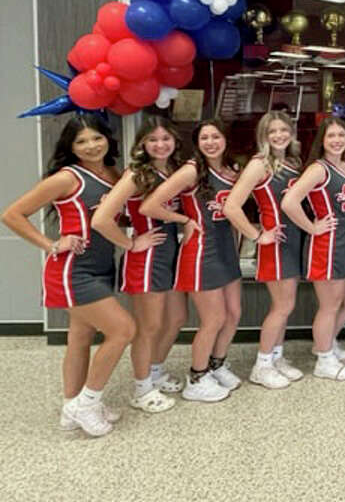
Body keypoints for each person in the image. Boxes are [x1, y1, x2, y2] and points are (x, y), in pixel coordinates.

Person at [2, 115, 137, 436]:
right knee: (123, 330)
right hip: (72, 270)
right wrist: (51, 244)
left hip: (102, 266)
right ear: (70, 147)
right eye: (81, 141)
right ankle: (87, 403)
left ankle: (71, 406)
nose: (91, 146)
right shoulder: (67, 178)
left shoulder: (113, 174)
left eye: (96, 138)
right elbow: (12, 214)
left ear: (108, 139)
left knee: (80, 338)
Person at [140, 118, 242, 403]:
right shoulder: (191, 171)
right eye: (204, 138)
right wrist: (184, 219)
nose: (210, 142)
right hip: (201, 252)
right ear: (197, 143)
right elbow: (150, 205)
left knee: (233, 315)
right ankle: (196, 378)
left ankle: (216, 365)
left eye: (216, 136)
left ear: (225, 139)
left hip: (226, 250)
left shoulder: (232, 170)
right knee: (214, 319)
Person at [91, 116, 187, 414]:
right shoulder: (136, 174)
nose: (160, 144)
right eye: (153, 139)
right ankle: (141, 388)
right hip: (146, 260)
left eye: (166, 138)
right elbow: (101, 219)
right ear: (143, 143)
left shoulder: (173, 171)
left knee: (177, 319)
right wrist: (131, 242)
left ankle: (155, 372)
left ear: (175, 141)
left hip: (170, 254)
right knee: (149, 326)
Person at [223, 111, 304, 390]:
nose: (279, 135)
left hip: (293, 240)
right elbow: (231, 206)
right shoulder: (260, 164)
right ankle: (262, 364)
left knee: (286, 305)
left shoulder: (291, 162)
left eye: (284, 130)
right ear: (263, 136)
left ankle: (276, 357)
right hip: (275, 243)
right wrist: (257, 236)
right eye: (273, 131)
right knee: (282, 306)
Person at [282, 117, 345, 380]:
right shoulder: (319, 169)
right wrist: (311, 227)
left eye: (342, 135)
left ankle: (327, 342)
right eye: (331, 136)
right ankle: (324, 360)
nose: (337, 140)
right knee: (330, 305)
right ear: (322, 140)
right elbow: (289, 202)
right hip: (325, 245)